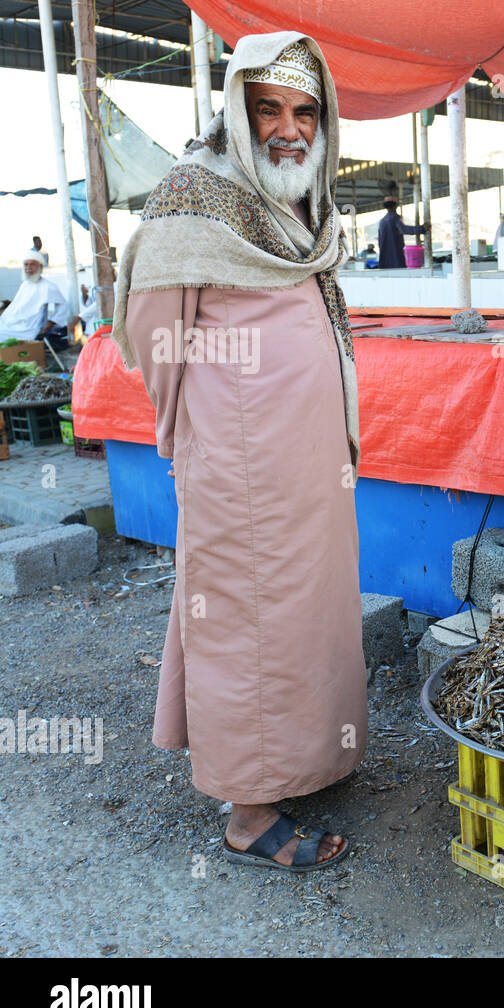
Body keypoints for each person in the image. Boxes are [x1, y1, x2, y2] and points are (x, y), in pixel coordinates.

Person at [112, 32, 366, 873]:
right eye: (270, 110)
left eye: (305, 111)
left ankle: (300, 760)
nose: (290, 128)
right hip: (240, 463)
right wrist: (210, 430)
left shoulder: (300, 202)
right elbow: (153, 332)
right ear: (236, 109)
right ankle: (249, 812)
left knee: (305, 614)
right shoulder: (195, 193)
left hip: (308, 469)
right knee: (245, 619)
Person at [0, 249, 68, 343]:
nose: (28, 267)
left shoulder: (48, 286)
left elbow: (63, 305)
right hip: (13, 322)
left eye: (32, 264)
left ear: (40, 266)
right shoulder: (25, 284)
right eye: (26, 264)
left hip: (28, 328)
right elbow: (18, 305)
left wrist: (51, 323)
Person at [377, 195, 427, 268]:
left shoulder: (382, 221)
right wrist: (422, 228)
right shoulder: (395, 217)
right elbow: (404, 229)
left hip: (385, 259)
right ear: (395, 206)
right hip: (396, 256)